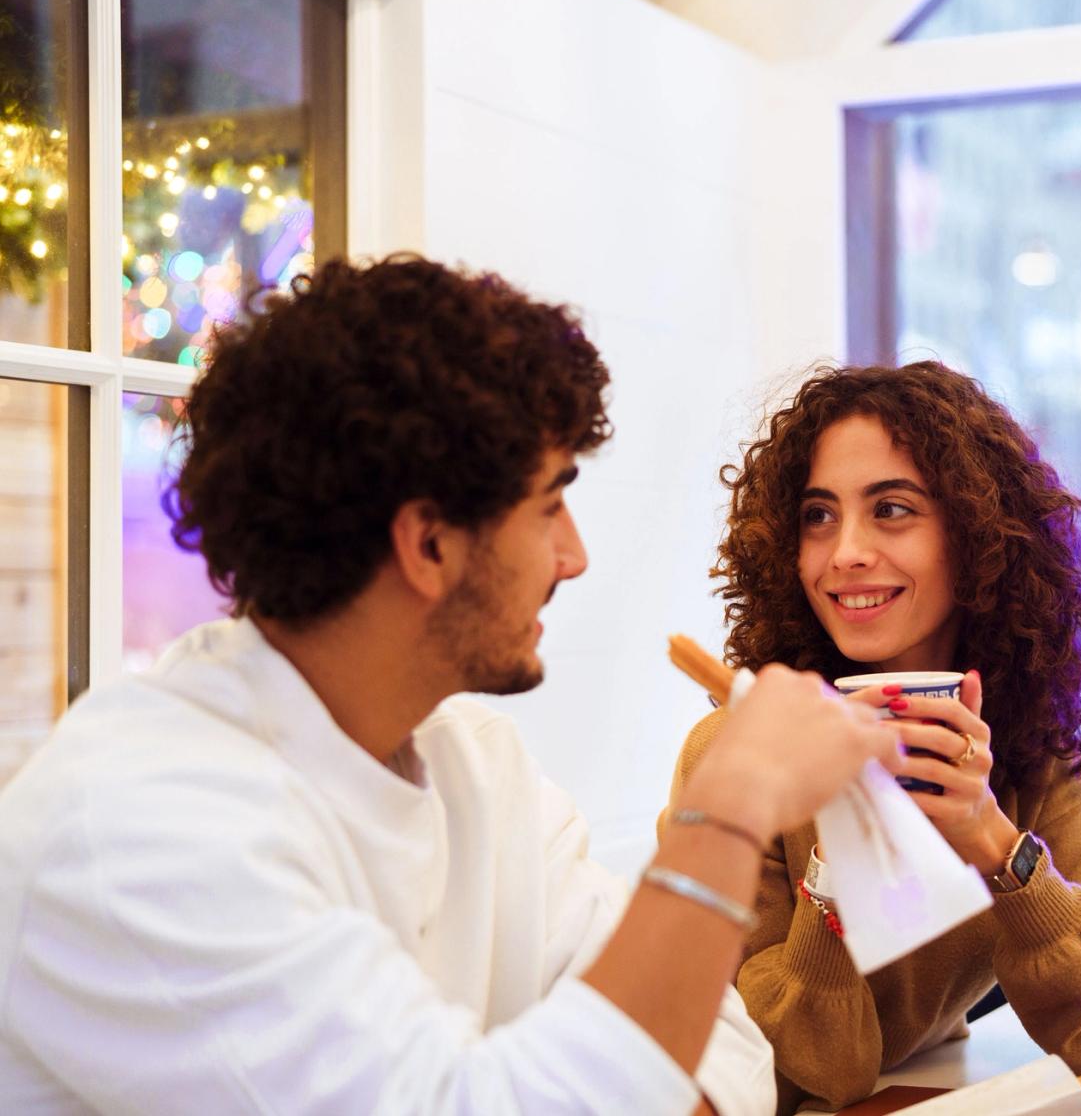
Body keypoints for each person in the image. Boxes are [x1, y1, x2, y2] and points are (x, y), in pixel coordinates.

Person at [0, 256, 904, 1115]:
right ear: (428, 543)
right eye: (549, 504)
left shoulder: (472, 761)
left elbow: (721, 1048)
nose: (575, 556)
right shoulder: (137, 828)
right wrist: (732, 807)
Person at [666, 361, 1081, 1112]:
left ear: (975, 537)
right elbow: (786, 1076)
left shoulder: (1022, 752)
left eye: (892, 509)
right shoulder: (737, 753)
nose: (845, 553)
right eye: (818, 515)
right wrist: (840, 853)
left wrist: (996, 845)